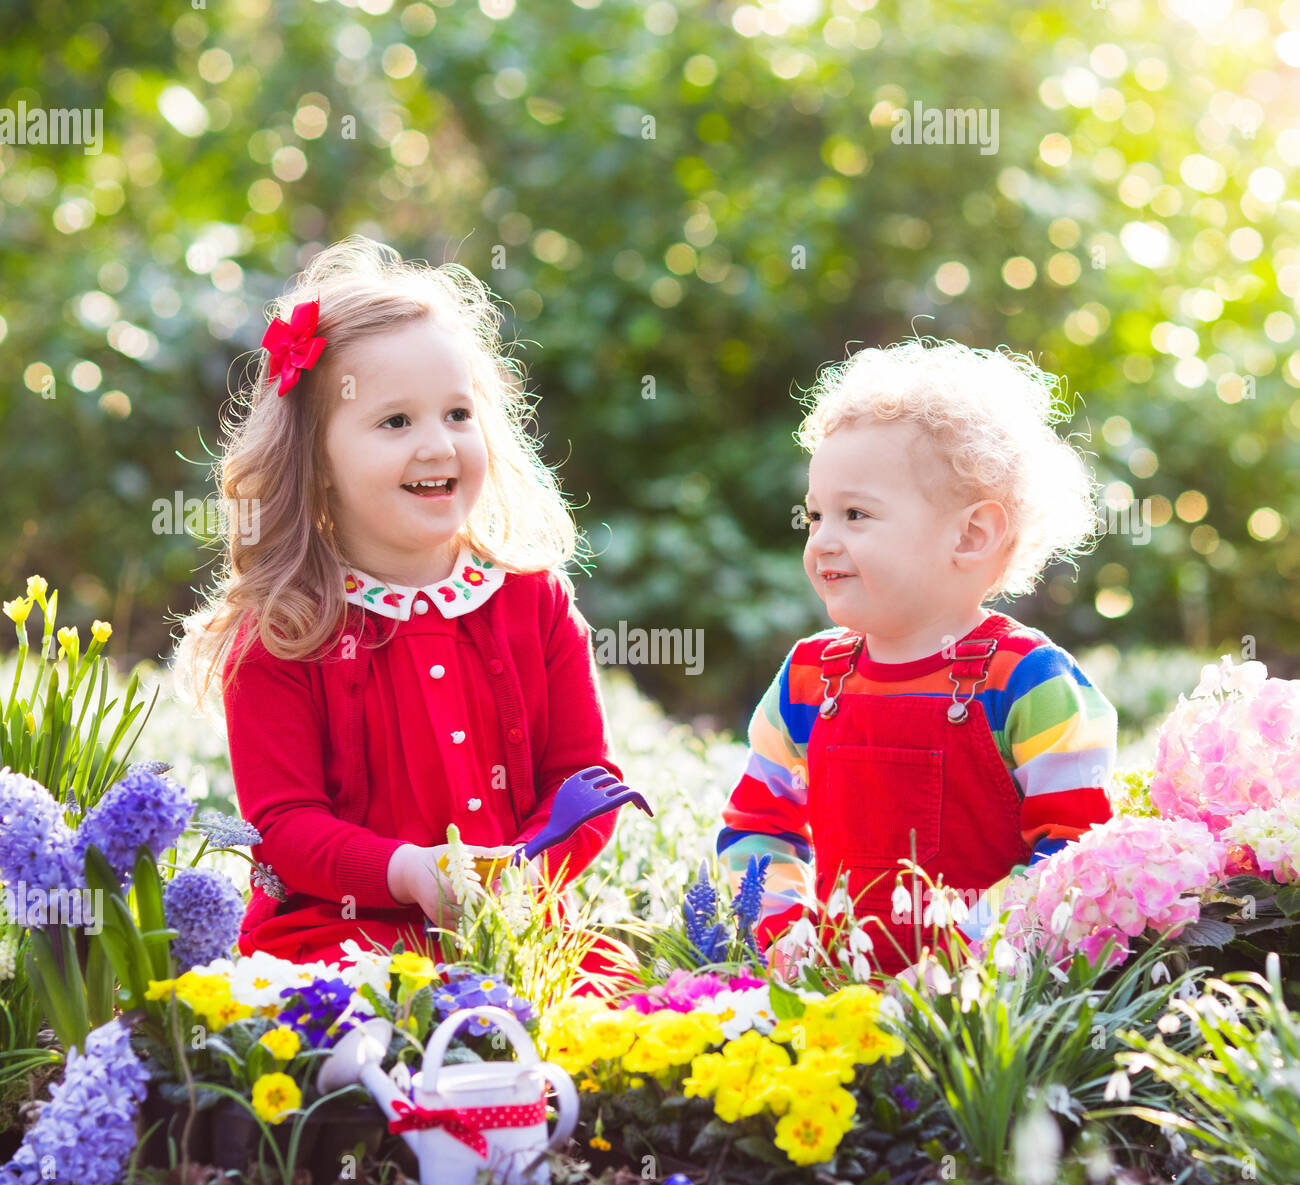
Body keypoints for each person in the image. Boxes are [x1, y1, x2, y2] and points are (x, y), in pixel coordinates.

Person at [170, 235, 634, 982]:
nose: (438, 446)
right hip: (344, 936)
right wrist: (406, 873)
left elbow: (586, 778)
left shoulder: (532, 600)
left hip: (517, 926)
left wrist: (522, 881)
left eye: (457, 414)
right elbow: (284, 825)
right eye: (396, 422)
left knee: (614, 1026)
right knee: (340, 1035)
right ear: (315, 460)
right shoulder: (285, 629)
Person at [717, 338, 1118, 977]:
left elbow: (1075, 857)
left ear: (971, 534)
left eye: (855, 514)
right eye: (815, 515)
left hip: (987, 1019)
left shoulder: (1028, 681)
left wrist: (964, 955)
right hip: (835, 1010)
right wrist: (782, 931)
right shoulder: (807, 677)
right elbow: (757, 824)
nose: (823, 541)